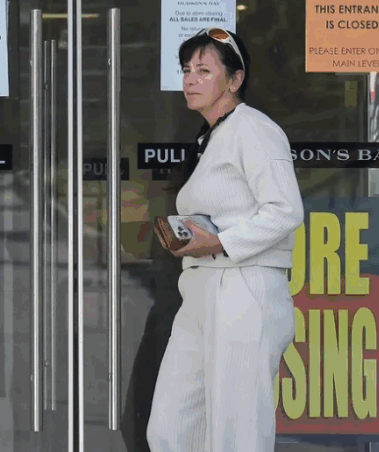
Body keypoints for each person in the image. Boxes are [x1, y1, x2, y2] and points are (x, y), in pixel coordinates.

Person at [146, 27, 305, 452]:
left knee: (237, 435)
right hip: (200, 290)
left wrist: (218, 242)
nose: (190, 80)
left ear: (234, 80)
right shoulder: (212, 136)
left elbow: (286, 210)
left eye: (203, 70)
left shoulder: (254, 129)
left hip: (243, 289)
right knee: (170, 430)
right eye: (186, 70)